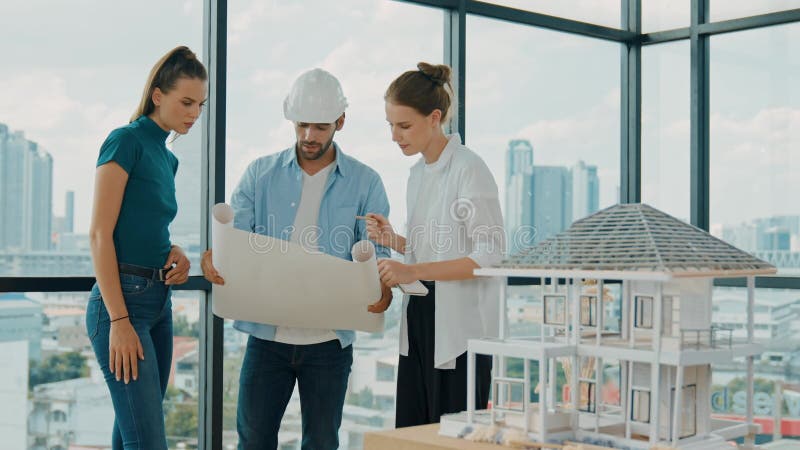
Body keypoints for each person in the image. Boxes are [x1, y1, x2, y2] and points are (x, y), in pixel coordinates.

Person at [201, 68, 393, 450]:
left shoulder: (366, 181)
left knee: (322, 442)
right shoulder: (260, 173)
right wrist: (212, 256)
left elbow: (378, 253)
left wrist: (383, 287)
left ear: (340, 122)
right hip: (266, 337)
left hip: (328, 342)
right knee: (253, 441)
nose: (309, 136)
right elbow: (233, 238)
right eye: (302, 125)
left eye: (320, 127)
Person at [365, 62, 505, 427]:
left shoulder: (469, 168)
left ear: (435, 117)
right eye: (391, 125)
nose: (395, 136)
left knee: (450, 436)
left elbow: (488, 255)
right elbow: (434, 250)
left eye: (404, 125)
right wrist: (393, 240)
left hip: (460, 331)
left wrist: (413, 270)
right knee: (414, 432)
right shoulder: (417, 174)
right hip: (420, 320)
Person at [86, 46, 207, 449]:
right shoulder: (125, 142)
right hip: (122, 305)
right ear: (158, 95)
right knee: (149, 441)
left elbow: (142, 221)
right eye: (186, 102)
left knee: (133, 434)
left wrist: (174, 249)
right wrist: (119, 322)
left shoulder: (167, 159)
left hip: (159, 303)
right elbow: (100, 234)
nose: (193, 113)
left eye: (200, 105)